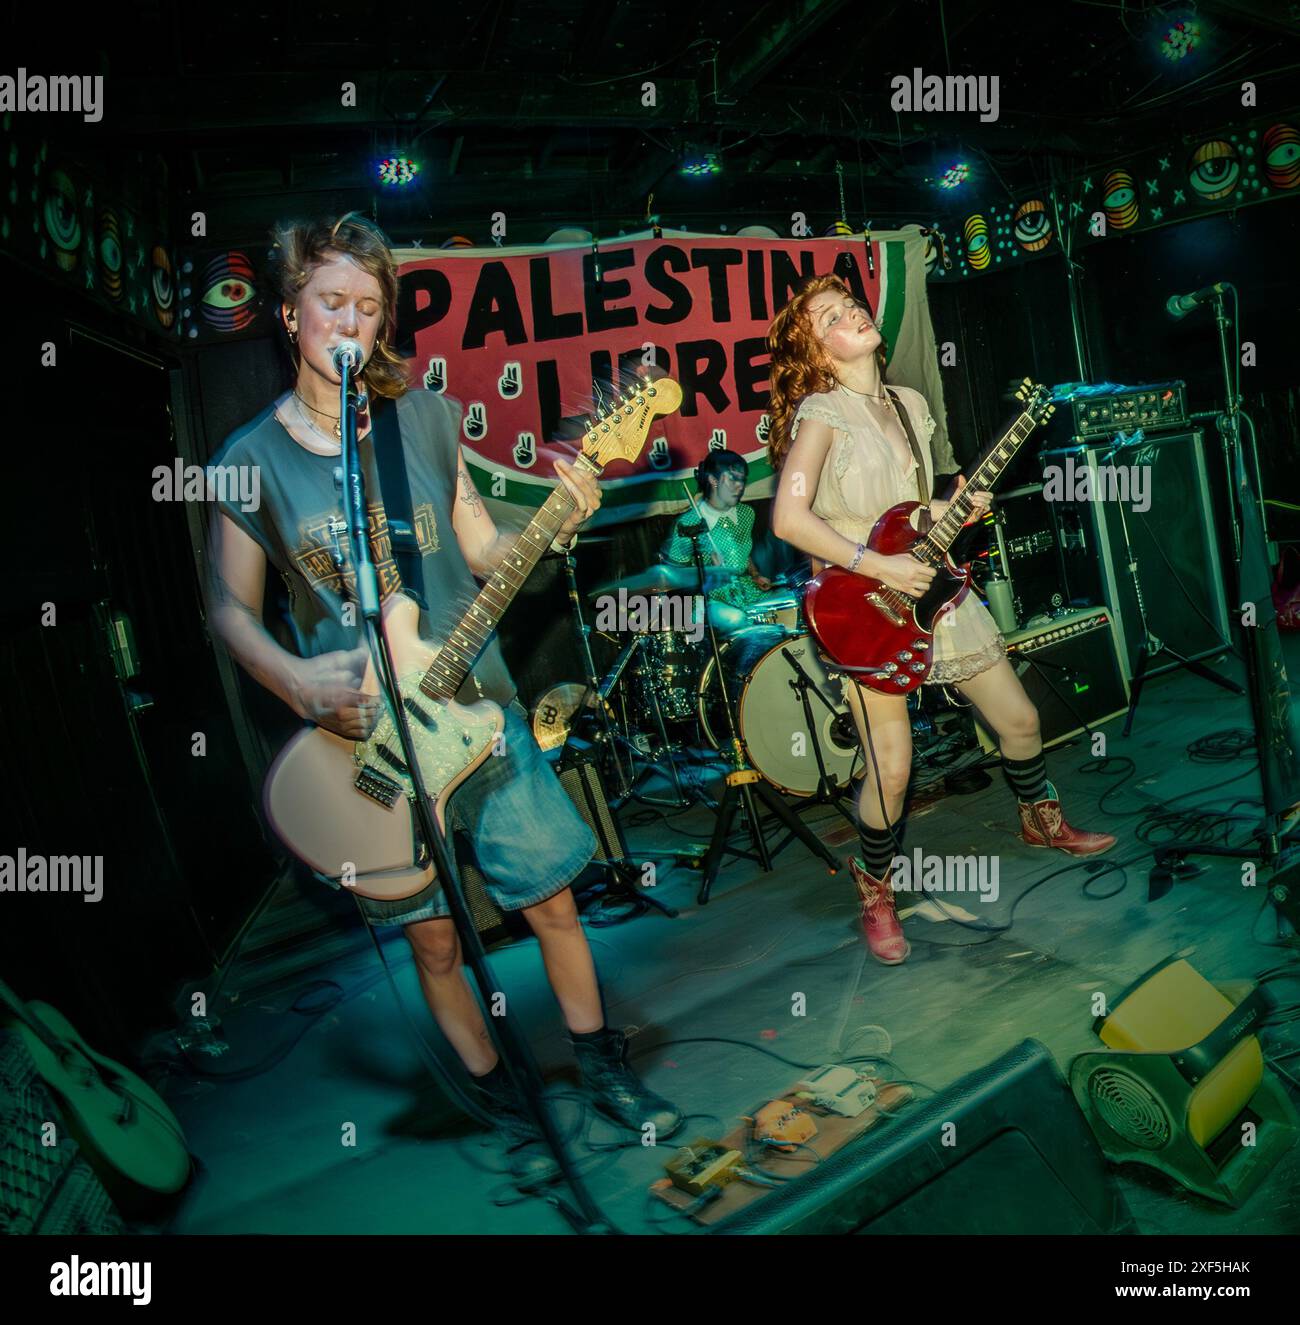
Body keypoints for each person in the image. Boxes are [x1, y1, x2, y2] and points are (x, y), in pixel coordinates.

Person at [206, 213, 681, 1190]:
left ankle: (600, 1066)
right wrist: (293, 679)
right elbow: (228, 608)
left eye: (369, 306)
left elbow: (479, 548)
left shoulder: (420, 413)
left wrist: (552, 519)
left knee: (549, 898)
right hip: (365, 745)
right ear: (291, 311)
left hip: (482, 711)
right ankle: (500, 1092)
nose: (351, 321)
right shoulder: (249, 458)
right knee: (431, 935)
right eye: (332, 301)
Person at [767, 274, 1115, 964]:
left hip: (930, 585)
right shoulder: (819, 414)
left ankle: (1038, 816)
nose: (855, 314)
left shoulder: (910, 402)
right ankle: (875, 888)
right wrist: (879, 566)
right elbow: (789, 518)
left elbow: (909, 509)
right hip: (866, 605)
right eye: (833, 316)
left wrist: (946, 512)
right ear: (819, 350)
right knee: (892, 770)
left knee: (1020, 721)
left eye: (853, 304)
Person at [660, 449, 773, 632]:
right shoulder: (689, 523)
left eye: (742, 479)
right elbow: (673, 575)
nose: (740, 486)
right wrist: (707, 571)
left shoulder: (746, 514)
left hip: (745, 592)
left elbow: (744, 553)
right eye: (732, 479)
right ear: (713, 480)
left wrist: (755, 575)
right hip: (709, 599)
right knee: (737, 619)